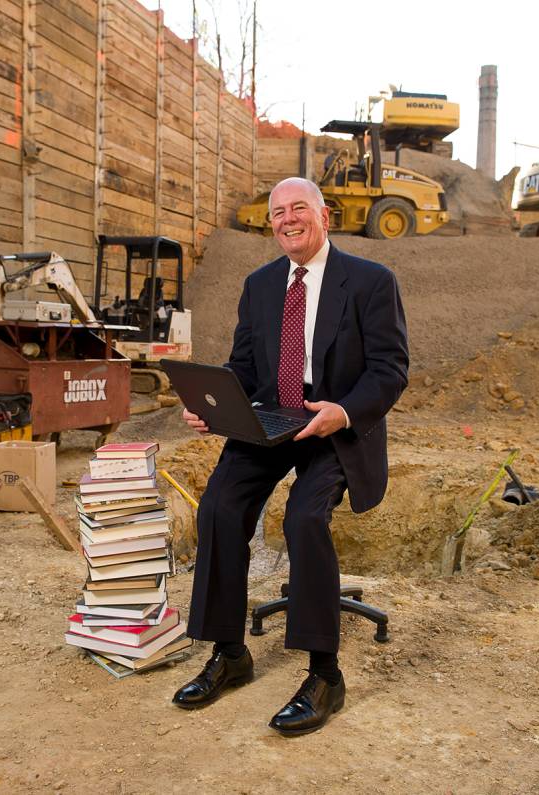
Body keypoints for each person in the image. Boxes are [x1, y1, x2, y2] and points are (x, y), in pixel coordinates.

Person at [171, 177, 409, 735]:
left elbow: (390, 370)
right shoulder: (259, 285)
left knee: (304, 515)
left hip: (338, 422)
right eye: (278, 212)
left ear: (324, 215)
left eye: (298, 208)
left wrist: (344, 412)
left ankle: (325, 674)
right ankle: (230, 653)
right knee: (219, 508)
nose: (287, 219)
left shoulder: (372, 281)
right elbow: (246, 368)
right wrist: (217, 407)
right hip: (272, 418)